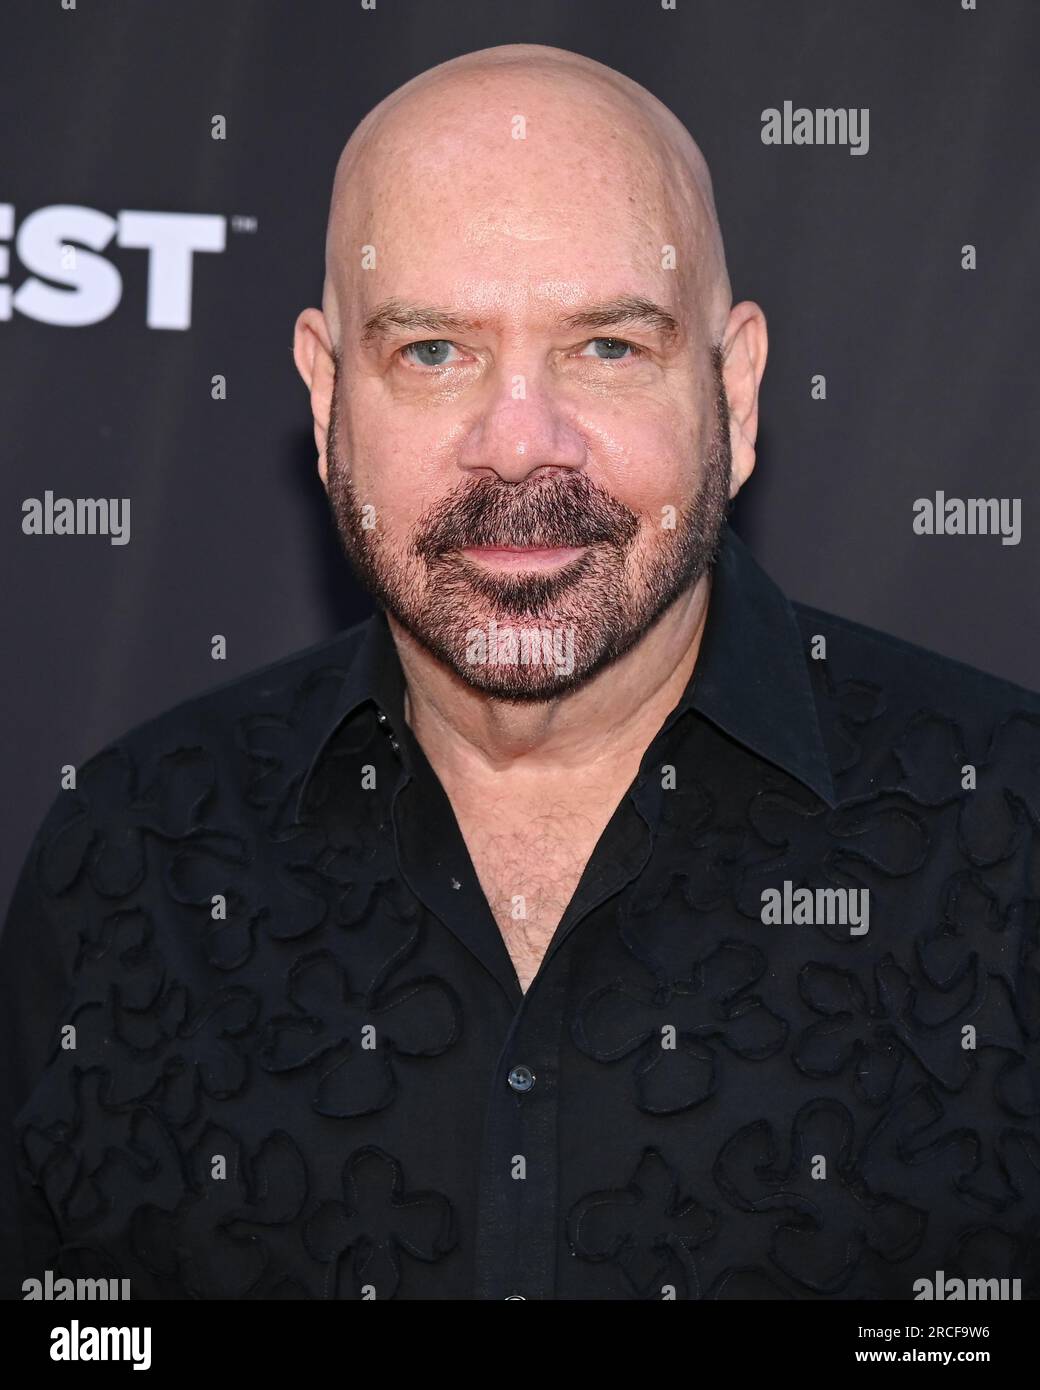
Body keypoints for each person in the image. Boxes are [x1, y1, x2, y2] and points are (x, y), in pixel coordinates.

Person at [1, 43, 1037, 1302]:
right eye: (433, 351)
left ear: (735, 390)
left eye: (606, 346)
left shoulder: (1005, 832)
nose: (517, 447)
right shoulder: (135, 855)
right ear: (326, 397)